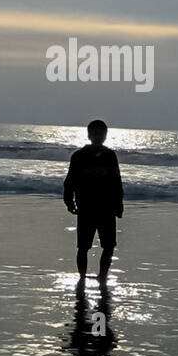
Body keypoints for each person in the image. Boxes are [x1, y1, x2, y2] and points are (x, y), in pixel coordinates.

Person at [63, 120, 124, 281]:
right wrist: (69, 201)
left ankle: (102, 276)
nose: (98, 137)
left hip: (107, 208)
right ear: (89, 135)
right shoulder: (79, 156)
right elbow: (70, 181)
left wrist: (119, 204)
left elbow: (116, 181)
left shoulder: (110, 156)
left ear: (105, 136)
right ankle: (82, 277)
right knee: (83, 246)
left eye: (101, 134)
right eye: (95, 133)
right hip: (86, 207)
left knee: (109, 246)